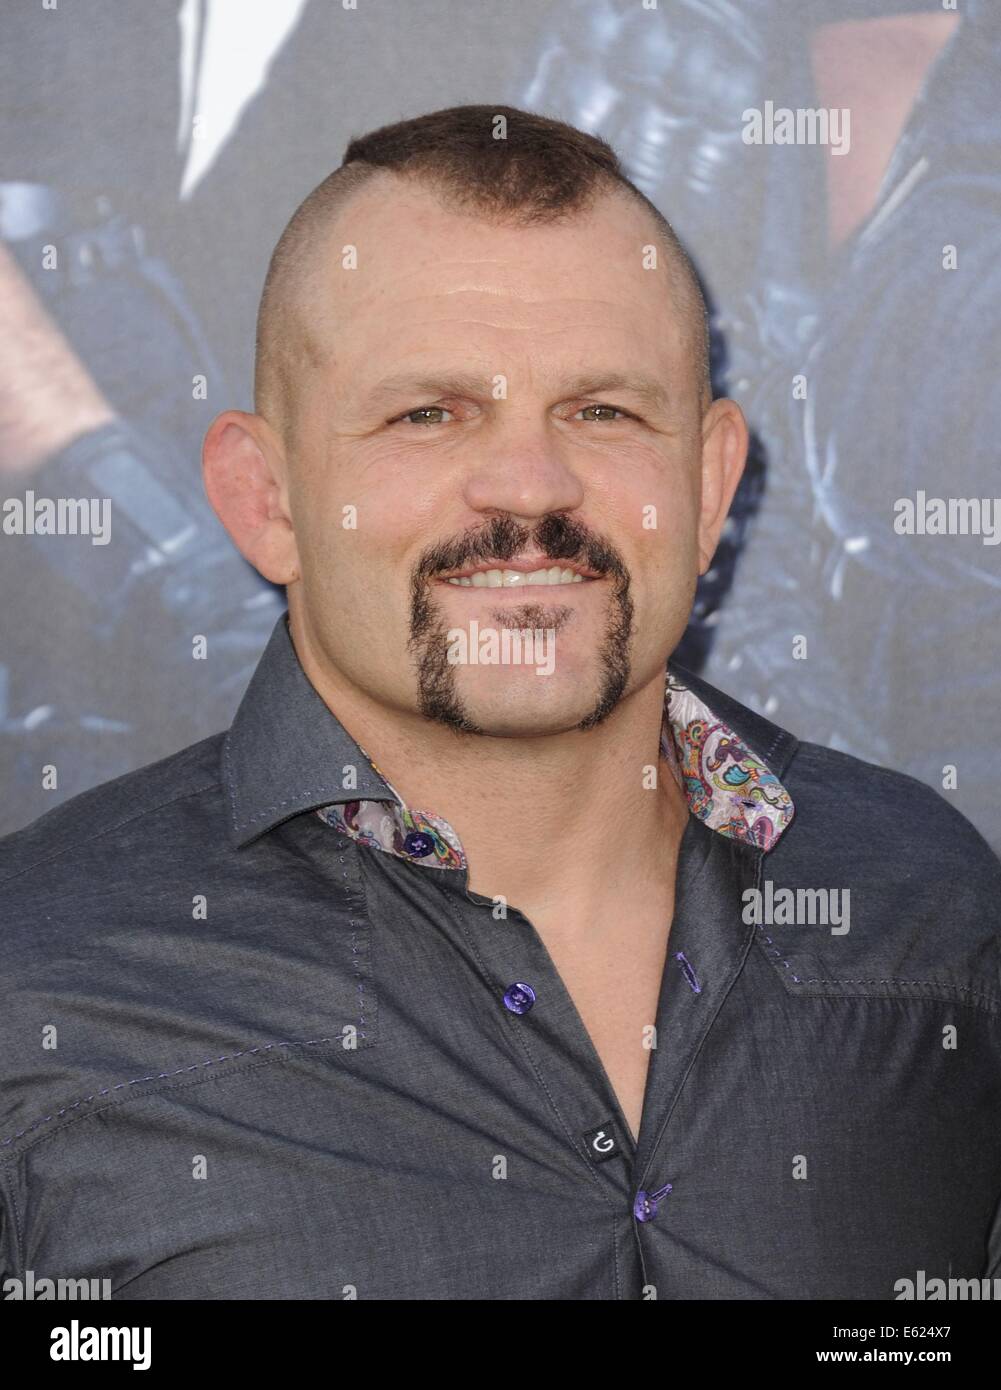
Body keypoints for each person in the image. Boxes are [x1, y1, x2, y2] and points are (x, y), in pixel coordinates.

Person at [2, 106, 999, 1302]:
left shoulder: (928, 911)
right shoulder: (35, 981)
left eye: (601, 411)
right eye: (428, 412)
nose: (529, 484)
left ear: (708, 480)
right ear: (264, 498)